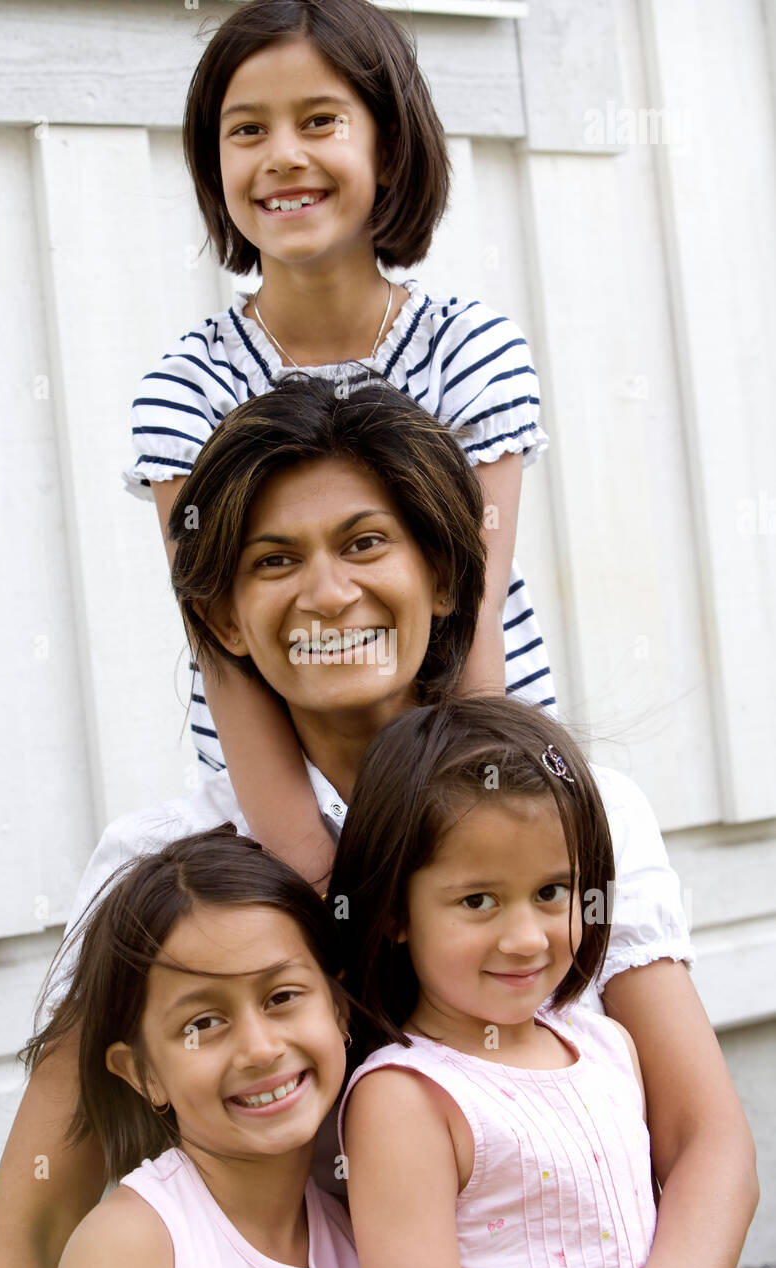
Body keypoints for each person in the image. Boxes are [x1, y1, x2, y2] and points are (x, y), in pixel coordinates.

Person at [0, 378, 756, 1268]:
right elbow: (33, 1219)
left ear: (445, 575)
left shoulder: (576, 810)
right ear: (225, 619)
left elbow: (709, 1145)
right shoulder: (174, 858)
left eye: (366, 543)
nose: (329, 594)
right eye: (273, 561)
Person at [133, 0, 552, 892]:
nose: (282, 154)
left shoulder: (468, 350)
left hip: (476, 768)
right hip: (279, 800)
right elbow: (223, 651)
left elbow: (473, 618)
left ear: (390, 148)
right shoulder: (186, 390)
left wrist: (474, 829)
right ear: (215, 164)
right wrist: (316, 872)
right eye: (247, 130)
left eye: (320, 121)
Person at [330, 697, 657, 1268]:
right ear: (397, 912)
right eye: (478, 901)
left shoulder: (608, 1046)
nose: (526, 939)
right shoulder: (408, 1098)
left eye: (552, 891)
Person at [29, 827, 362, 1268]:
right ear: (143, 1074)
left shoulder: (359, 1237)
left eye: (282, 996)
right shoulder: (132, 1247)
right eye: (204, 1023)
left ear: (338, 1010)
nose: (260, 1049)